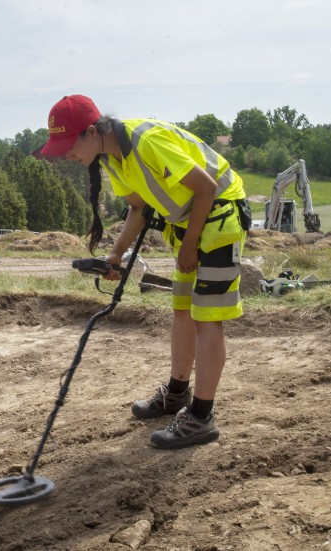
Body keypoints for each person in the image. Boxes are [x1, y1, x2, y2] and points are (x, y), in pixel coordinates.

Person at [38, 94, 249, 450]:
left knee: (208, 319)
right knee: (182, 310)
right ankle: (177, 394)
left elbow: (207, 188)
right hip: (191, 228)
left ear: (91, 132)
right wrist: (116, 255)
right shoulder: (114, 158)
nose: (66, 154)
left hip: (218, 220)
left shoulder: (146, 143)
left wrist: (191, 242)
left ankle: (201, 417)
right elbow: (138, 209)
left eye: (68, 144)